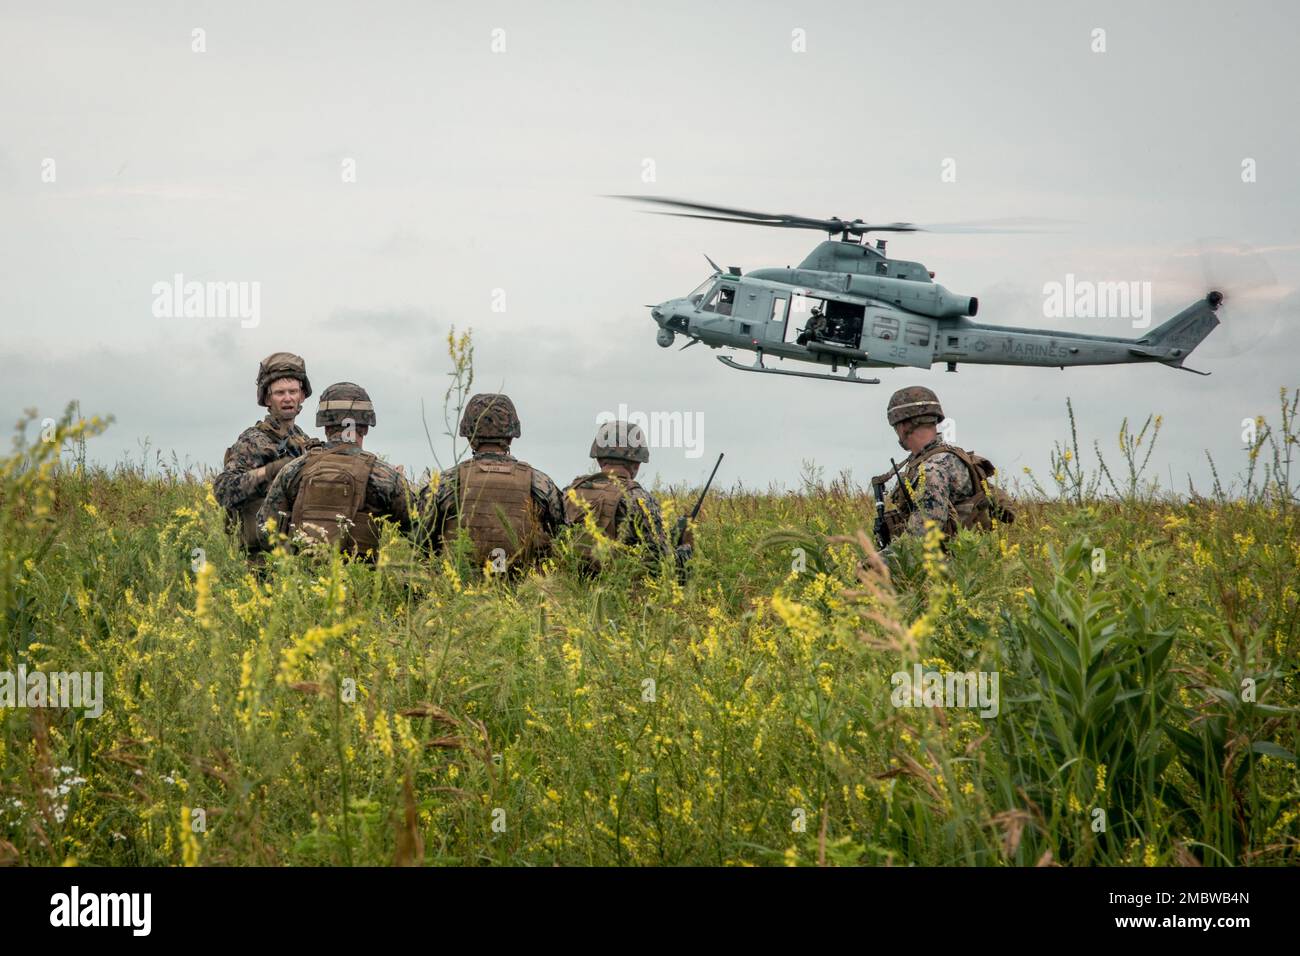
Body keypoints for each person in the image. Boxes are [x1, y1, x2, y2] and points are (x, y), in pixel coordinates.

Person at [257, 382, 412, 558]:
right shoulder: (386, 476)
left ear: (325, 427)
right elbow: (418, 534)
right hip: (363, 582)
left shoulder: (294, 470)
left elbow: (265, 531)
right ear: (366, 427)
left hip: (302, 580)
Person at [420, 393, 566, 573]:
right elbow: (562, 538)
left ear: (469, 437)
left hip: (457, 594)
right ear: (511, 437)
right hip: (527, 593)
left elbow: (420, 542)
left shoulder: (445, 483)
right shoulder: (540, 484)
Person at [871, 386, 1013, 544]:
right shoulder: (949, 458)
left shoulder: (932, 470)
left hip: (951, 564)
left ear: (903, 426)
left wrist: (872, 563)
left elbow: (920, 542)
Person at [214, 352, 320, 556]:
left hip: (296, 559)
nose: (288, 398)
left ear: (302, 396)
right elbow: (223, 490)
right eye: (280, 393)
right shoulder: (253, 441)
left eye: (293, 391)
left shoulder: (304, 442)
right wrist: (269, 472)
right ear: (267, 398)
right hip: (259, 560)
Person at [563, 420, 687, 573]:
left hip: (568, 585)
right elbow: (661, 563)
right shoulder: (640, 499)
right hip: (619, 588)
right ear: (636, 464)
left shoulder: (569, 492)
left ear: (599, 459)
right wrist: (684, 549)